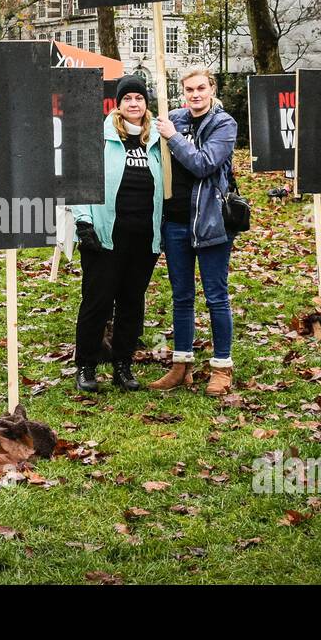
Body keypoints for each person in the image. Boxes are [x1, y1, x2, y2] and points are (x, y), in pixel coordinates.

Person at [149, 68, 239, 396]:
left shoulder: (224, 124)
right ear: (182, 91)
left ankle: (222, 367)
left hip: (212, 221)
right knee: (181, 295)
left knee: (216, 295)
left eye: (201, 88)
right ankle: (181, 365)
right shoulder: (174, 117)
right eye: (189, 89)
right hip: (175, 222)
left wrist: (173, 137)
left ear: (212, 88)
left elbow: (204, 164)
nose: (195, 94)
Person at [71, 74, 163, 393]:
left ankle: (123, 365)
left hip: (143, 237)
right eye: (128, 99)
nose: (133, 103)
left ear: (145, 104)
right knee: (97, 302)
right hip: (105, 235)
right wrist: (83, 221)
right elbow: (81, 178)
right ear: (118, 104)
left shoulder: (157, 140)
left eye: (139, 98)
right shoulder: (102, 136)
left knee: (131, 303)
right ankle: (86, 365)